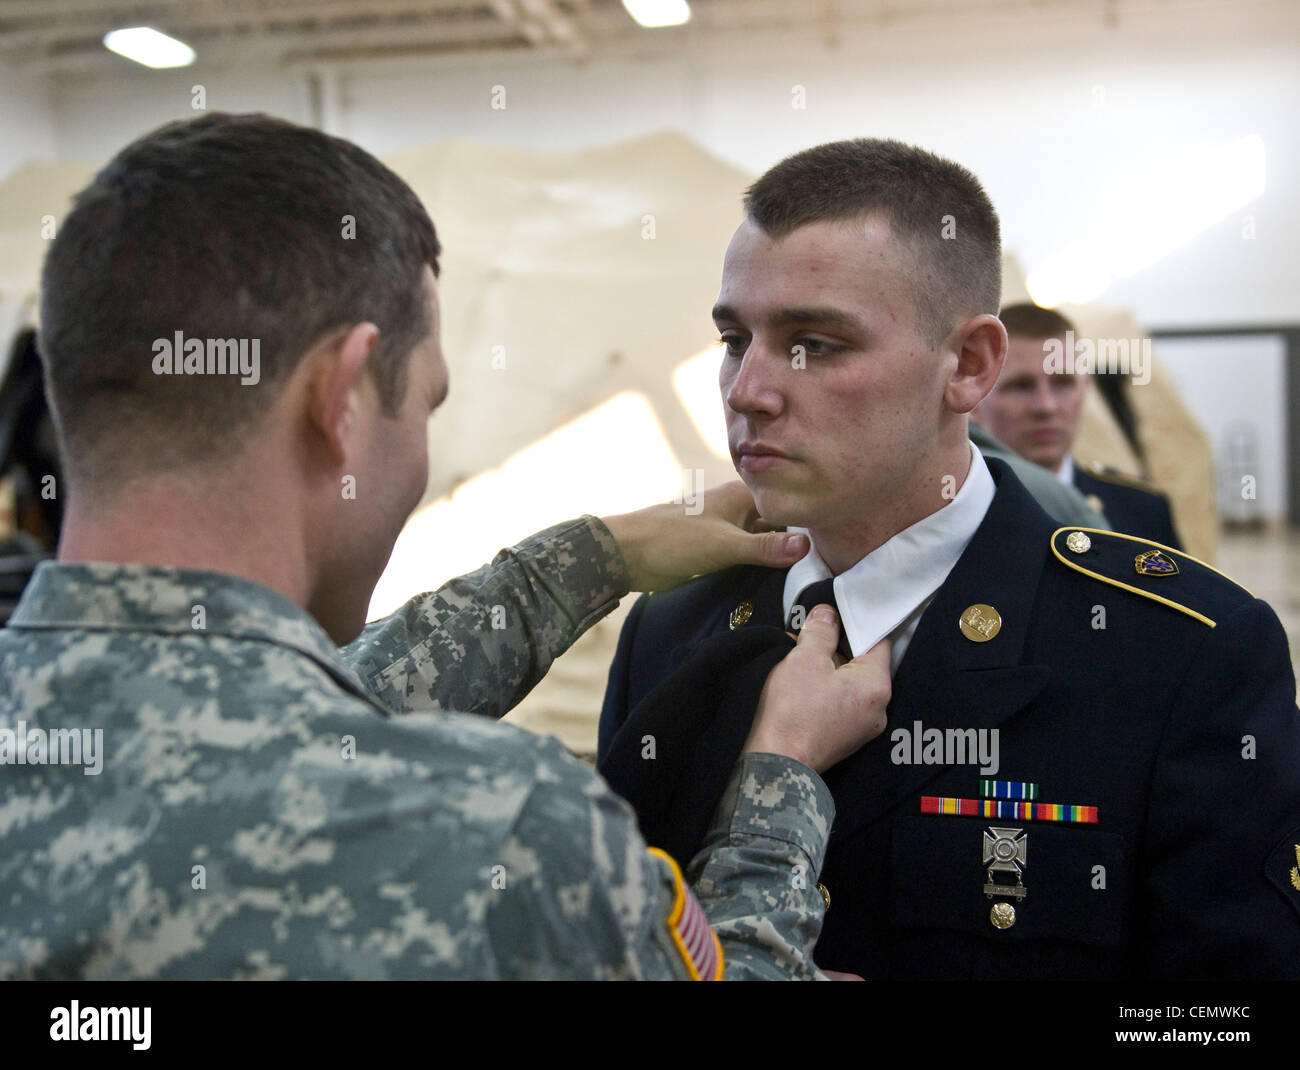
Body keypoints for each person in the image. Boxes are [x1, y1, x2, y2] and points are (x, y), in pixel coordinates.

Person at [0, 112, 894, 981]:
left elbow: (249, 710)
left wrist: (589, 559)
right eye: (426, 402)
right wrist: (778, 785)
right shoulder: (498, 830)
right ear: (340, 398)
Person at [598, 137, 1300, 980]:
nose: (748, 388)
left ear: (968, 366)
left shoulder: (1180, 652)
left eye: (814, 343)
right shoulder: (674, 629)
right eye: (732, 339)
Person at [974, 303, 1182, 549]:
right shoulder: (960, 510)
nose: (1046, 406)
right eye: (1021, 386)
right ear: (976, 398)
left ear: (1085, 388)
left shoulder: (1142, 511)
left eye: (1062, 383)